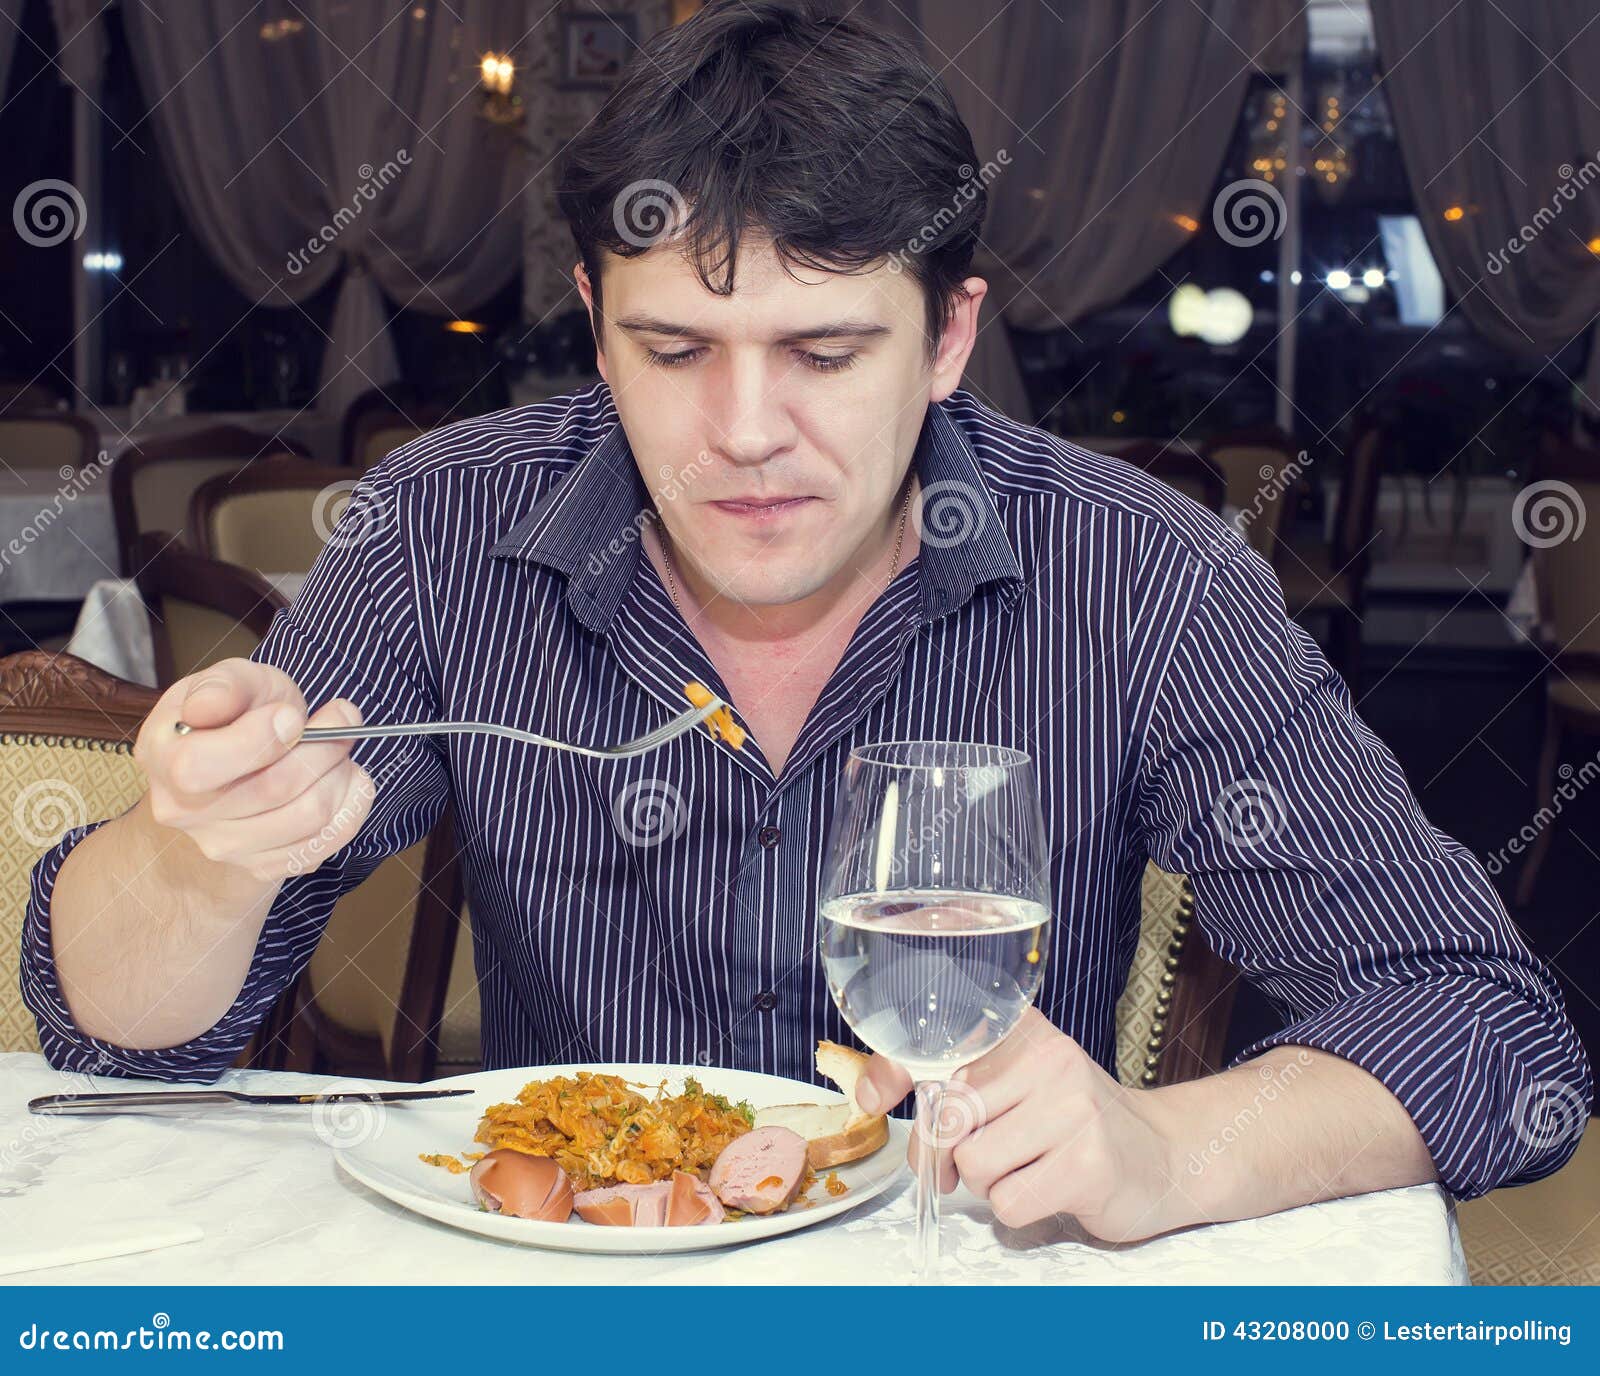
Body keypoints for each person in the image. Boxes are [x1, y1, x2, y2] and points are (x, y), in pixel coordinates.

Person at [21, 1, 1589, 1242]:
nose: (747, 430)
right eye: (675, 349)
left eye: (826, 351)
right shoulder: (442, 531)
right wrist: (190, 858)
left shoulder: (1141, 577)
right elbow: (122, 1043)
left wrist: (1166, 1149)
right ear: (594, 315)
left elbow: (1493, 1036)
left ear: (948, 336)